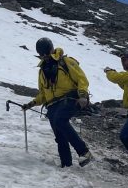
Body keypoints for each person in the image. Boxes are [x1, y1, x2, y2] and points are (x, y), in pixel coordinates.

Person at [24, 37, 93, 168]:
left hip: (70, 98)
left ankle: (84, 151)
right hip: (52, 105)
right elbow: (43, 94)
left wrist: (83, 95)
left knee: (60, 121)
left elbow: (81, 79)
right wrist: (31, 104)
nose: (44, 55)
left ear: (51, 49)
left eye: (46, 52)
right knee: (59, 133)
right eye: (41, 53)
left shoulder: (66, 62)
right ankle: (66, 165)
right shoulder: (42, 70)